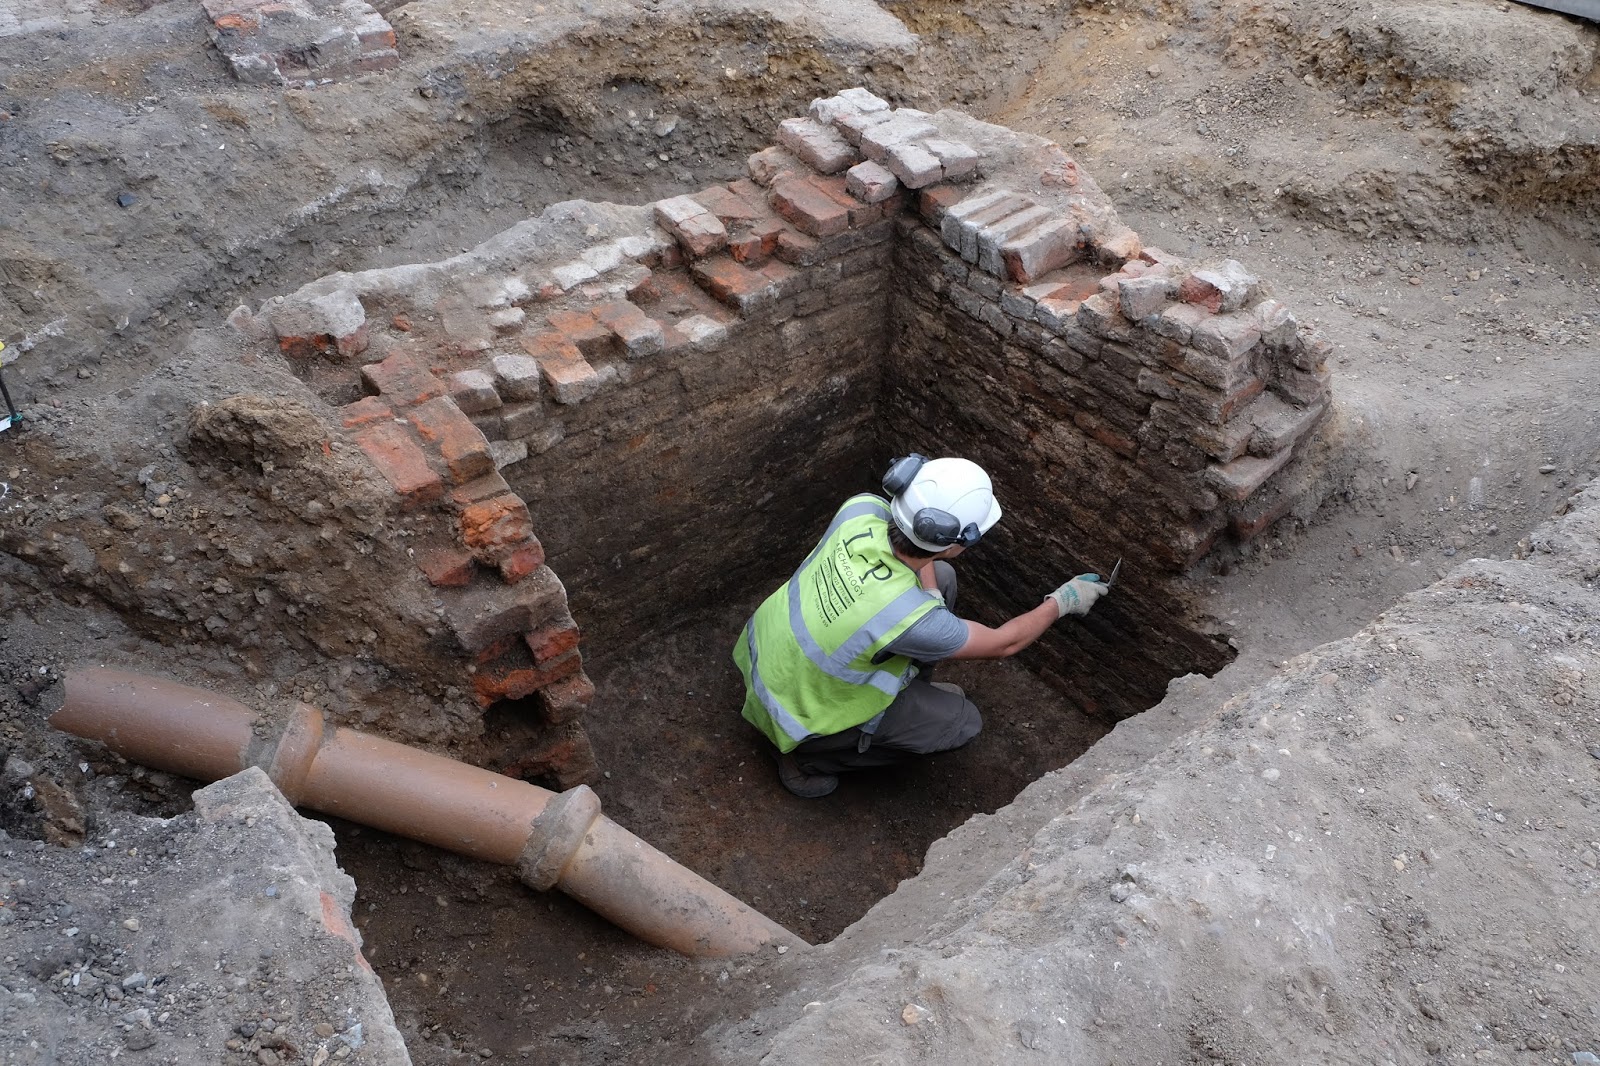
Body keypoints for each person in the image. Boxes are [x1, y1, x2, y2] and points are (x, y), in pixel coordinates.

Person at [732, 454, 1111, 798]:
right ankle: (808, 760)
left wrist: (931, 594)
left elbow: (916, 547)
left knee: (941, 579)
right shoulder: (908, 619)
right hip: (796, 711)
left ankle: (906, 693)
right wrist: (1062, 602)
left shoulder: (860, 508)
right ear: (955, 542)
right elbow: (1003, 644)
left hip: (772, 654)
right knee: (963, 723)